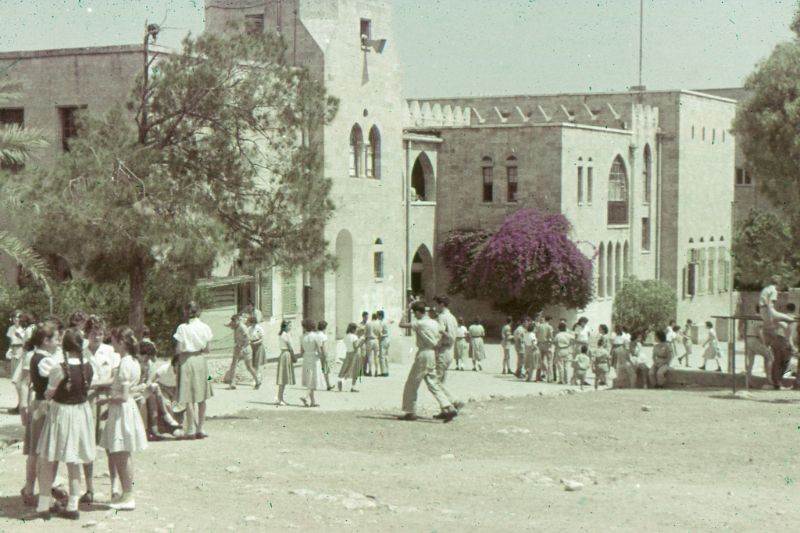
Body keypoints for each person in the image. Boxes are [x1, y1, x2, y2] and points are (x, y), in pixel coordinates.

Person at [35, 329, 95, 520]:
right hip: (80, 413)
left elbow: (49, 393)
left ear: (64, 347)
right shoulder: (89, 367)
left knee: (48, 459)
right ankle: (72, 506)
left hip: (61, 414)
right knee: (73, 460)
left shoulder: (58, 369)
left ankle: (43, 506)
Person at [100, 327, 148, 510]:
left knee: (121, 452)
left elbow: (125, 396)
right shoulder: (130, 361)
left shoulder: (127, 363)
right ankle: (126, 493)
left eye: (113, 341)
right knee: (119, 452)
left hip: (122, 410)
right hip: (121, 410)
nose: (111, 345)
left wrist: (106, 400)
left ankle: (128, 495)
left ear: (121, 342)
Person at [19, 322, 59, 507]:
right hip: (44, 406)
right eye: (56, 339)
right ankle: (43, 493)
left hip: (37, 403)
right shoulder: (45, 360)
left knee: (35, 450)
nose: (58, 342)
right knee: (43, 451)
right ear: (46, 340)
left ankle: (29, 489)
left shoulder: (35, 356)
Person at [398, 301, 457, 422]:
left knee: (411, 383)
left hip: (423, 353)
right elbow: (446, 335)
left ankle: (410, 411)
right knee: (433, 383)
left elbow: (402, 324)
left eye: (415, 313)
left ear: (418, 312)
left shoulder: (420, 323)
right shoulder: (434, 322)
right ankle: (447, 406)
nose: (415, 315)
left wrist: (406, 310)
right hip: (432, 353)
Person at [173, 301, 214, 440]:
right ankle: (200, 428)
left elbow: (178, 349)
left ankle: (190, 429)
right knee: (202, 396)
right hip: (201, 361)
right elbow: (208, 349)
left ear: (186, 312)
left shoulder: (182, 328)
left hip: (186, 361)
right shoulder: (206, 327)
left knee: (189, 397)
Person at [758, 275, 796, 389]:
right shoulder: (773, 290)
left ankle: (777, 383)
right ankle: (780, 382)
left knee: (778, 363)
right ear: (778, 284)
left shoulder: (766, 289)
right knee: (786, 363)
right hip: (782, 340)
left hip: (765, 314)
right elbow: (770, 305)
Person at [432, 296, 464, 415]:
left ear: (441, 305)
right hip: (449, 351)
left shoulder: (442, 317)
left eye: (436, 305)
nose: (435, 308)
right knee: (442, 381)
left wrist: (439, 332)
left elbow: (446, 336)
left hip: (443, 350)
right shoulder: (452, 317)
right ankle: (444, 409)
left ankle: (454, 400)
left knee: (436, 382)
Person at [224, 314, 259, 390]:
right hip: (237, 348)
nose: (234, 323)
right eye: (233, 321)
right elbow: (226, 324)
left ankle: (258, 381)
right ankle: (232, 384)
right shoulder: (233, 324)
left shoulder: (243, 327)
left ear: (238, 320)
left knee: (249, 367)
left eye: (235, 321)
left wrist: (243, 347)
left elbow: (248, 339)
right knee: (233, 365)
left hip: (245, 349)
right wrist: (227, 323)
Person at [299, 319, 325, 407]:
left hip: (306, 357)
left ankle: (313, 401)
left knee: (309, 379)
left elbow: (302, 350)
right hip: (314, 358)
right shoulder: (316, 336)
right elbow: (319, 349)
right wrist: (320, 356)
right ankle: (306, 397)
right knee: (313, 379)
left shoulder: (302, 337)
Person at [6, 310, 25, 415]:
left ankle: (21, 406)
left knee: (20, 381)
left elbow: (27, 342)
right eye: (14, 317)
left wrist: (20, 336)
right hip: (14, 352)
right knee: (15, 380)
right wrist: (9, 351)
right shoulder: (11, 329)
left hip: (21, 352)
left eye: (18, 317)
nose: (16, 319)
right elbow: (10, 342)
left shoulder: (25, 329)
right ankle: (19, 404)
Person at [337, 323, 364, 392]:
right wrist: (361, 341)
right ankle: (352, 386)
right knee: (355, 371)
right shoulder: (354, 337)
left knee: (347, 369)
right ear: (353, 329)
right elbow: (355, 347)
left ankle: (341, 380)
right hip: (355, 354)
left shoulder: (346, 336)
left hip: (348, 353)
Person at [275, 321, 296, 406]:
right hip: (286, 354)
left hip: (284, 354)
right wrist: (294, 357)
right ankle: (280, 398)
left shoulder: (282, 334)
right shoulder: (286, 335)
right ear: (285, 326)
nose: (291, 327)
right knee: (283, 378)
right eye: (289, 326)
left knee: (283, 378)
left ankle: (280, 398)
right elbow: (290, 347)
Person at [534, 315, 554, 382]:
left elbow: (535, 334)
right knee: (549, 361)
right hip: (547, 344)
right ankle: (549, 378)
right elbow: (551, 336)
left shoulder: (539, 326)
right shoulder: (549, 327)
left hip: (540, 344)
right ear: (549, 320)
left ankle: (537, 377)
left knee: (540, 361)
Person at [248, 315, 266, 389]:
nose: (252, 324)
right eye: (251, 323)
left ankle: (257, 379)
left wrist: (256, 343)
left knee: (257, 363)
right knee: (252, 363)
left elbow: (262, 339)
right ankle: (256, 378)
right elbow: (248, 337)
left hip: (258, 346)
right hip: (252, 346)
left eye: (253, 323)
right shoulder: (249, 329)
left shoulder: (259, 329)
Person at [317, 320, 335, 391]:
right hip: (322, 353)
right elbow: (323, 346)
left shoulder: (316, 334)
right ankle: (328, 385)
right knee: (325, 370)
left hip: (316, 353)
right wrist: (326, 355)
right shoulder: (323, 336)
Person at [377, 310, 391, 377]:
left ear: (380, 316)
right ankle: (387, 370)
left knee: (382, 356)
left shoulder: (381, 323)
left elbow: (380, 333)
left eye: (378, 315)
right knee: (386, 356)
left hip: (383, 339)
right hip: (387, 339)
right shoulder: (386, 322)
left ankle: (383, 372)